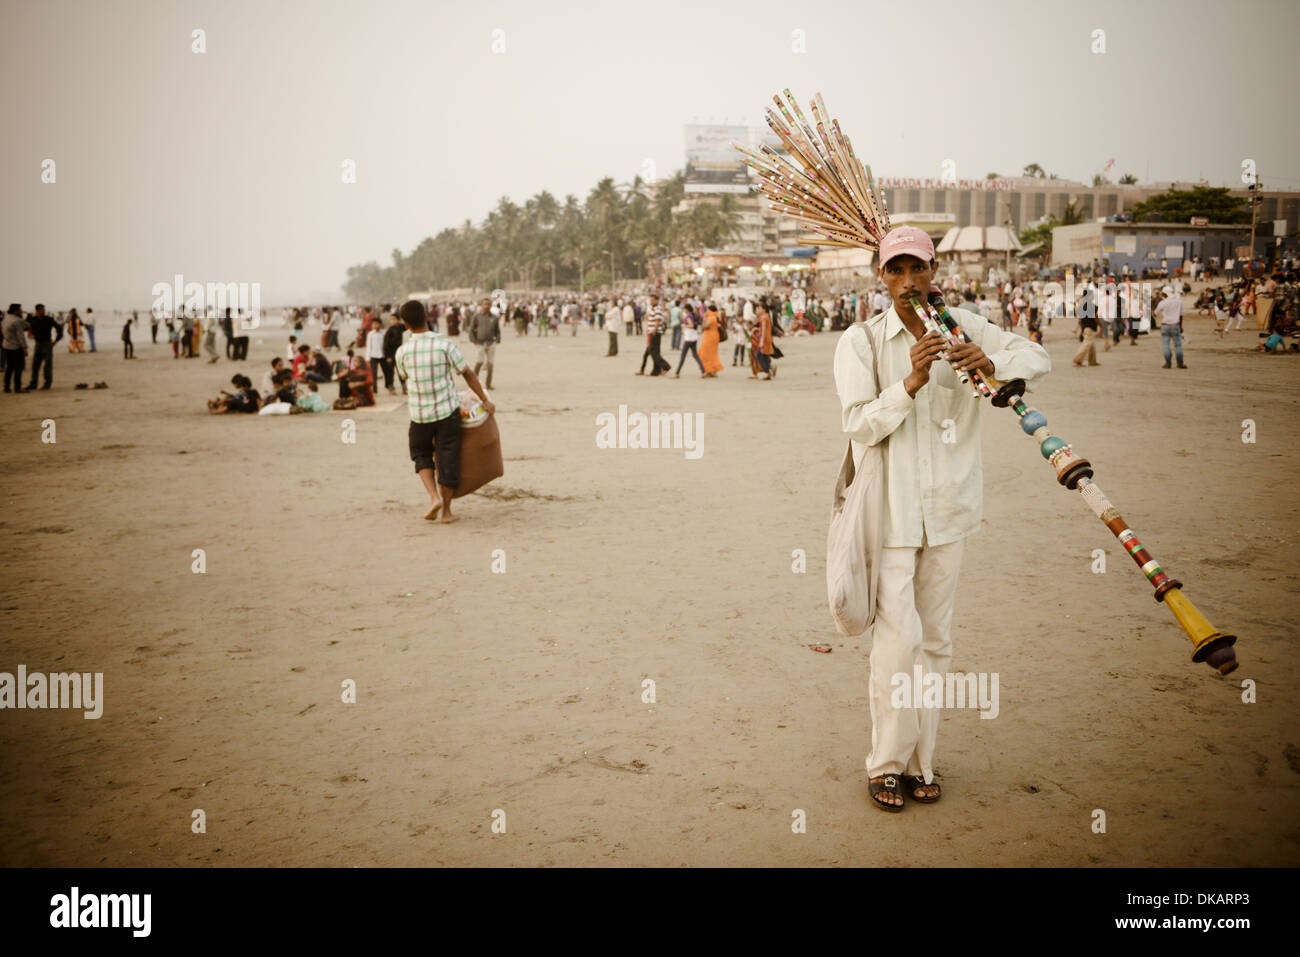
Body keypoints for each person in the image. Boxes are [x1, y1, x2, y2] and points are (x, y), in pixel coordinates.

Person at [833, 225, 1050, 811]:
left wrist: (992, 361)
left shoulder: (966, 326)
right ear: (881, 277)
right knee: (896, 642)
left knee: (936, 642)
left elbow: (1036, 355)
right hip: (892, 515)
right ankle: (885, 763)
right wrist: (910, 381)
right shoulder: (862, 341)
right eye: (895, 271)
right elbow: (857, 424)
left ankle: (923, 762)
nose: (908, 283)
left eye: (918, 270)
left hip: (950, 513)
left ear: (934, 273)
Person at [394, 299, 495, 524]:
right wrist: (484, 400)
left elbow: (404, 377)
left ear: (406, 324)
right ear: (427, 317)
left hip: (419, 414)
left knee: (420, 454)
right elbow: (467, 373)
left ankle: (433, 497)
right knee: (447, 457)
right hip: (447, 413)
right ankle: (446, 512)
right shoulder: (444, 344)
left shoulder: (403, 352)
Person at [25, 304, 61, 390]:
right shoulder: (33, 320)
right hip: (38, 343)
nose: (43, 311)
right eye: (41, 310)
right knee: (35, 365)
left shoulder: (48, 319)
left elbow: (59, 329)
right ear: (37, 311)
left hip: (47, 343)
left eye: (44, 309)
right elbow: (25, 327)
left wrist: (55, 341)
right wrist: (31, 334)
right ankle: (33, 383)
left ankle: (47, 383)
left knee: (47, 364)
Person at [467, 297, 500, 389]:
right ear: (482, 305)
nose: (487, 306)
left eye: (488, 304)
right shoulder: (477, 316)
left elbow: (497, 330)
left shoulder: (494, 317)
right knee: (480, 361)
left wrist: (497, 339)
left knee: (490, 364)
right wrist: (473, 340)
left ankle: (488, 384)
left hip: (491, 343)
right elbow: (471, 329)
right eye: (485, 304)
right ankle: (474, 382)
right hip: (480, 343)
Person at [636, 294, 669, 376]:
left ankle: (665, 366)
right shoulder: (652, 309)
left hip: (655, 332)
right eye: (650, 300)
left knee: (653, 352)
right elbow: (648, 317)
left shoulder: (657, 309)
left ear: (657, 300)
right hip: (652, 332)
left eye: (652, 300)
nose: (651, 302)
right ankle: (656, 371)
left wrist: (654, 331)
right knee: (654, 352)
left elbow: (658, 321)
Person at [1155, 290, 1186, 369]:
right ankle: (1180, 363)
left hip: (1165, 326)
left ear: (1164, 294)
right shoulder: (1179, 302)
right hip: (1176, 325)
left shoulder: (1162, 303)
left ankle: (1168, 363)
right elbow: (1181, 315)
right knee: (1178, 345)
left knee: (1166, 345)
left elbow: (1155, 314)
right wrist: (1181, 326)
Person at [673, 304, 705, 377]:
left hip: (688, 338)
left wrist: (684, 326)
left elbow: (691, 325)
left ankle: (677, 373)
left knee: (683, 356)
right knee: (695, 355)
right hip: (694, 337)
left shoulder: (688, 316)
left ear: (687, 309)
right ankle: (703, 371)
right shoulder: (693, 315)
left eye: (684, 309)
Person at [3, 304, 28, 393]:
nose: (21, 310)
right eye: (20, 309)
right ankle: (17, 387)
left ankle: (6, 387)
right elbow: (20, 336)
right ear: (16, 310)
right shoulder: (16, 321)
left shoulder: (6, 318)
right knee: (18, 368)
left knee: (9, 367)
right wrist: (24, 347)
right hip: (16, 347)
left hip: (7, 345)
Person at [698, 303, 724, 378]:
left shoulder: (711, 317)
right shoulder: (714, 317)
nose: (706, 311)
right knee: (712, 354)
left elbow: (705, 326)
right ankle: (710, 370)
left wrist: (704, 319)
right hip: (712, 337)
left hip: (710, 338)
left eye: (708, 310)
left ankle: (708, 370)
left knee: (705, 354)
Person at [382, 312, 405, 394]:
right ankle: (391, 387)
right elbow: (386, 344)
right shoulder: (389, 330)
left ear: (398, 320)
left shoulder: (402, 328)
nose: (392, 321)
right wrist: (387, 356)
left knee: (401, 371)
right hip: (391, 354)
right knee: (390, 372)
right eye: (391, 319)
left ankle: (404, 387)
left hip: (400, 353)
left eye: (394, 319)